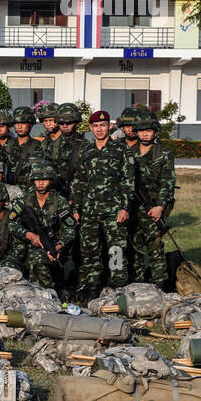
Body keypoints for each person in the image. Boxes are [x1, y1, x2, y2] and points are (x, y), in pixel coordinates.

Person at [70, 110, 134, 299]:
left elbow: (128, 181)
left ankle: (118, 292)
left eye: (103, 125)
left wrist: (125, 207)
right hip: (90, 212)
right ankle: (92, 291)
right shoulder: (86, 152)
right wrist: (76, 209)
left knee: (116, 252)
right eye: (96, 126)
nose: (99, 129)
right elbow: (79, 181)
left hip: (114, 211)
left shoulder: (121, 150)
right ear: (91, 128)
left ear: (109, 126)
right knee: (90, 253)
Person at [9, 162, 77, 294]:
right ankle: (46, 293)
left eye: (44, 180)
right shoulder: (25, 200)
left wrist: (59, 246)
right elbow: (12, 223)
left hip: (55, 248)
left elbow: (70, 228)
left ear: (51, 181)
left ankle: (51, 292)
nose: (41, 183)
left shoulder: (59, 201)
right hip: (27, 248)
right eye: (37, 180)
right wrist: (29, 235)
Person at [131, 116, 176, 288]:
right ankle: (138, 284)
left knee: (155, 246)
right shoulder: (129, 152)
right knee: (134, 246)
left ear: (155, 132)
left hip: (154, 207)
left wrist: (160, 206)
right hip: (133, 207)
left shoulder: (163, 154)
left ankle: (160, 284)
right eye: (141, 131)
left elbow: (168, 182)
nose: (144, 134)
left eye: (148, 131)